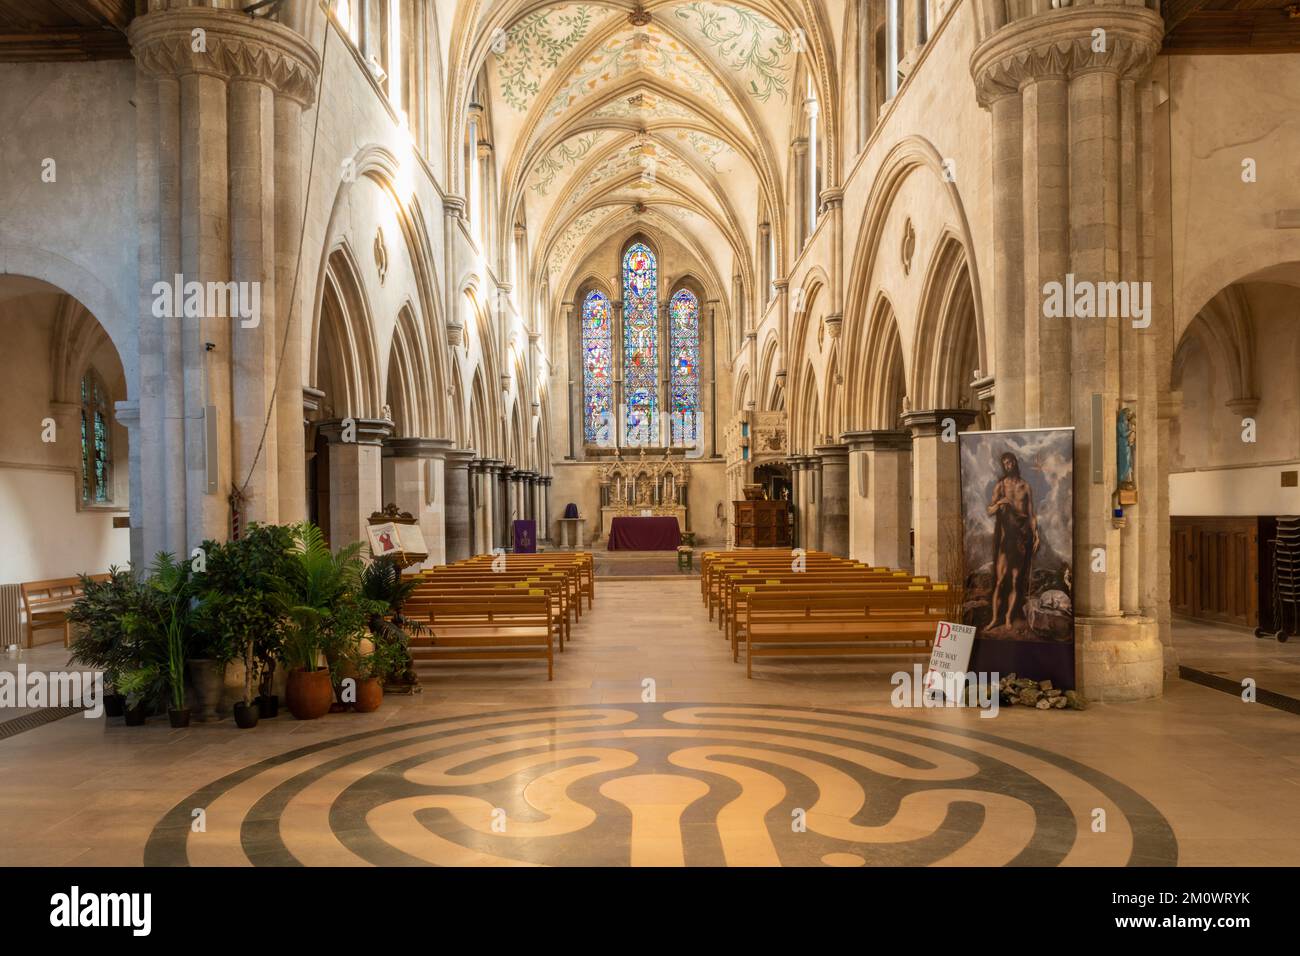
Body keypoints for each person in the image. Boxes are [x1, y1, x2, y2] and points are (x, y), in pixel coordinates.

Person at [987, 452, 1039, 632]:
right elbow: (990, 511)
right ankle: (995, 619)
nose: (1008, 465)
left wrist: (1036, 534)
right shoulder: (1001, 485)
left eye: (1010, 462)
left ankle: (1008, 617)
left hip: (1021, 535)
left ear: (1016, 463)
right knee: (1000, 580)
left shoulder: (1025, 486)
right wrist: (1001, 502)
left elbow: (1031, 514)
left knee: (1016, 579)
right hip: (1005, 536)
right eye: (1005, 463)